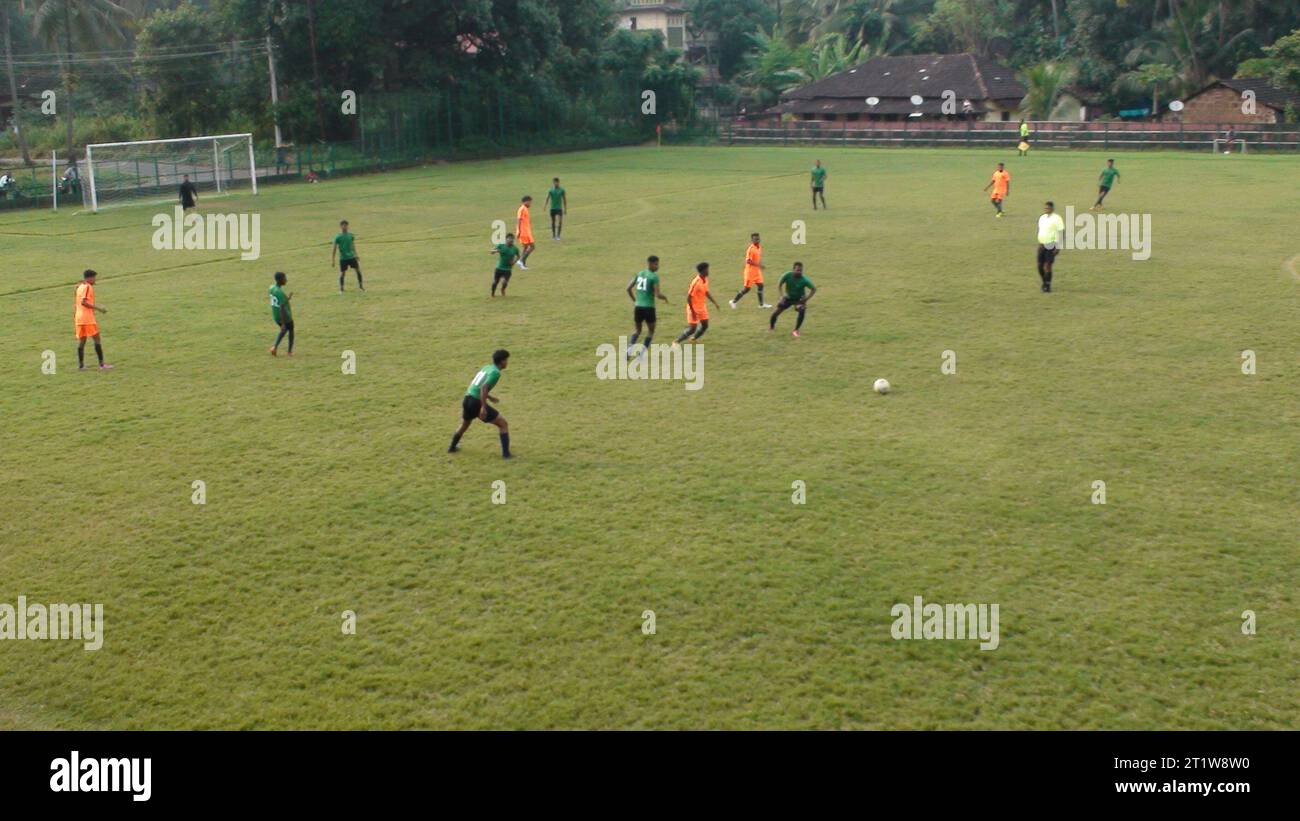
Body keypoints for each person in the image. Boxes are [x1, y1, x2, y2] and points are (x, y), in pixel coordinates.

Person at [449, 349, 512, 459]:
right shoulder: (496, 373)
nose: (507, 362)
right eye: (506, 360)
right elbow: (483, 388)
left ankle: (452, 447)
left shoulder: (487, 367)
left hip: (467, 398)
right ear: (502, 361)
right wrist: (483, 407)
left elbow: (477, 386)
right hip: (476, 402)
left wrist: (490, 397)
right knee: (503, 424)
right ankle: (506, 455)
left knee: (464, 424)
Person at [626, 255, 668, 358]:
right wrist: (665, 298)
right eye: (656, 264)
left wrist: (635, 301)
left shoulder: (639, 273)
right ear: (650, 264)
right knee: (651, 331)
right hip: (649, 308)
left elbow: (628, 288)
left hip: (638, 307)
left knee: (637, 330)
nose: (657, 266)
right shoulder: (654, 277)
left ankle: (629, 350)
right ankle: (641, 353)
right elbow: (658, 295)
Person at [674, 262, 720, 345]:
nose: (708, 271)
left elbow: (706, 292)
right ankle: (676, 341)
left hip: (702, 307)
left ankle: (693, 338)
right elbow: (688, 298)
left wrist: (714, 302)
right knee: (692, 329)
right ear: (702, 271)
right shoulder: (696, 282)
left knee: (705, 325)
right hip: (693, 308)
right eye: (707, 270)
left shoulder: (705, 279)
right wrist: (693, 312)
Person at [74, 269, 112, 370]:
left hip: (78, 318)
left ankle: (81, 366)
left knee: (82, 341)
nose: (95, 280)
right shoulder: (87, 287)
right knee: (97, 339)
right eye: (94, 277)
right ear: (90, 278)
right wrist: (99, 308)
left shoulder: (80, 286)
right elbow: (84, 302)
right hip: (87, 318)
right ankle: (102, 365)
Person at [768, 262, 816, 338]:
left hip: (798, 300)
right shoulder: (787, 275)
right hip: (788, 298)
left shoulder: (804, 280)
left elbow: (813, 289)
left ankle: (796, 330)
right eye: (797, 270)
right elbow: (780, 284)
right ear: (793, 270)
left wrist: (806, 299)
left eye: (801, 270)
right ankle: (771, 327)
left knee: (802, 310)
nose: (799, 272)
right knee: (775, 312)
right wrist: (781, 296)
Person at [729, 232, 771, 309]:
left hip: (756, 272)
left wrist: (760, 265)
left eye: (758, 239)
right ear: (752, 240)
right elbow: (748, 261)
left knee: (761, 285)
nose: (757, 240)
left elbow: (758, 258)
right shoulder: (751, 249)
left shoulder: (759, 247)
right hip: (750, 272)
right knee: (747, 289)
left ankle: (761, 305)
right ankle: (733, 301)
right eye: (755, 239)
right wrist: (759, 265)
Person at [1036, 201, 1066, 293]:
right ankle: (1044, 282)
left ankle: (1047, 285)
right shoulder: (1042, 217)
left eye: (1048, 208)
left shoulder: (1057, 218)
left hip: (1051, 245)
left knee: (1047, 266)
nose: (1046, 209)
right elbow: (1039, 228)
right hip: (1042, 244)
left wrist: (1058, 246)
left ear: (1052, 209)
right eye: (1045, 208)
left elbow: (1062, 232)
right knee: (1039, 266)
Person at [332, 219, 364, 292]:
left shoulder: (350, 235)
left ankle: (361, 286)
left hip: (351, 257)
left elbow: (353, 246)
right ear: (340, 227)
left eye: (346, 225)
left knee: (358, 271)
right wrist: (333, 260)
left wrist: (356, 255)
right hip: (343, 258)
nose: (345, 227)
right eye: (343, 225)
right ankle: (341, 289)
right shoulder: (338, 237)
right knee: (342, 273)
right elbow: (334, 249)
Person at [268, 271, 295, 356]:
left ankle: (274, 347)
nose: (286, 280)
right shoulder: (279, 292)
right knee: (290, 329)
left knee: (283, 331)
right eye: (284, 278)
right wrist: (283, 323)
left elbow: (279, 300)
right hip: (284, 316)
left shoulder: (272, 288)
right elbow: (282, 307)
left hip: (276, 316)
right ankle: (289, 352)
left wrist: (287, 298)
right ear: (280, 280)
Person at [516, 196, 535, 268]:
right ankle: (520, 260)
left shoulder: (525, 209)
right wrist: (519, 231)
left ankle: (523, 265)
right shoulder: (522, 209)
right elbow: (519, 220)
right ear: (525, 201)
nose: (530, 204)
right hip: (524, 232)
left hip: (526, 231)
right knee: (532, 247)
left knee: (525, 248)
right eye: (530, 202)